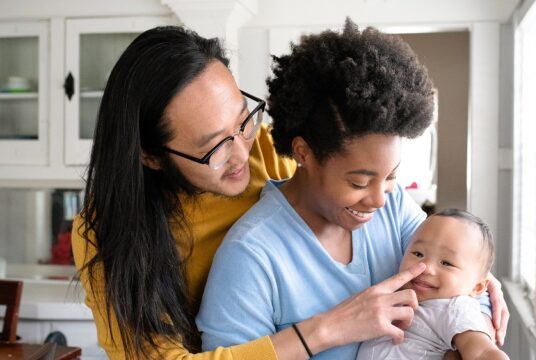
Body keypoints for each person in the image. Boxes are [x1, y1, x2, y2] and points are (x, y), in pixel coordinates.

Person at [72, 25, 504, 360]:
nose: (243, 151)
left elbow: (424, 239)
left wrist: (469, 280)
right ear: (150, 155)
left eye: (244, 119)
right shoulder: (112, 231)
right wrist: (328, 329)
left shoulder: (273, 147)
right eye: (214, 147)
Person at [196, 20, 508, 360]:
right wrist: (331, 328)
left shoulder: (394, 207)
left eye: (391, 176)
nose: (378, 200)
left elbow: (460, 281)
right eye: (359, 182)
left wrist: (476, 315)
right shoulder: (252, 255)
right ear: (303, 153)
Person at [356, 209, 509, 360]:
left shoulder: (455, 309)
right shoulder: (394, 295)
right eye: (418, 254)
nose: (426, 267)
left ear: (477, 288)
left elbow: (483, 353)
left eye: (446, 263)